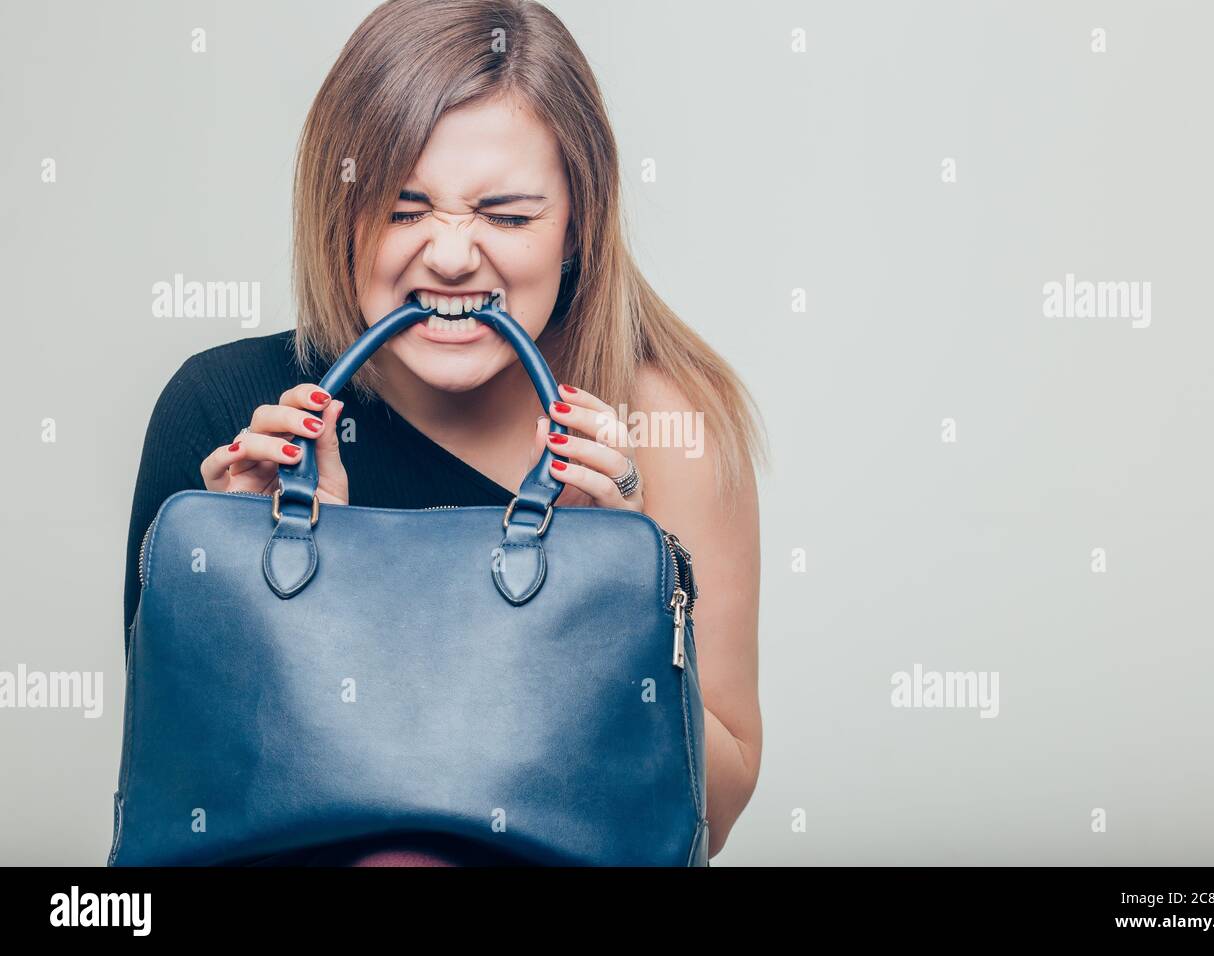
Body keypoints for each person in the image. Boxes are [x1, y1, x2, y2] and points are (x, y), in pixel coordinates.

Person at [123, 0, 767, 866]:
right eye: (403, 207)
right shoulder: (227, 407)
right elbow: (182, 789)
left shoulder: (669, 426)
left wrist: (612, 583)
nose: (453, 255)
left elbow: (708, 818)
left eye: (506, 215)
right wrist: (245, 573)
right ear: (338, 211)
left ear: (578, 222)